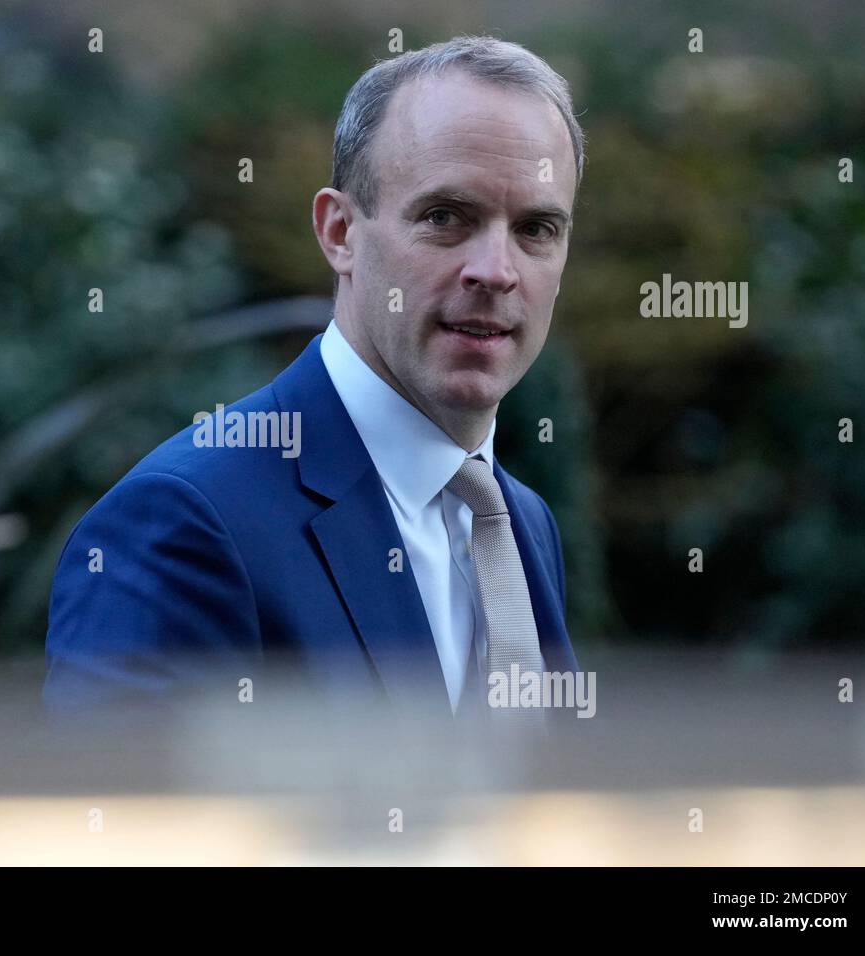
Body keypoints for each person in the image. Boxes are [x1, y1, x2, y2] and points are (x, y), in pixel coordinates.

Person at [44, 35, 584, 723]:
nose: (496, 270)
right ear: (338, 232)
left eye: (536, 228)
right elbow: (119, 826)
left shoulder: (521, 524)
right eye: (446, 218)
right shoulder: (182, 524)